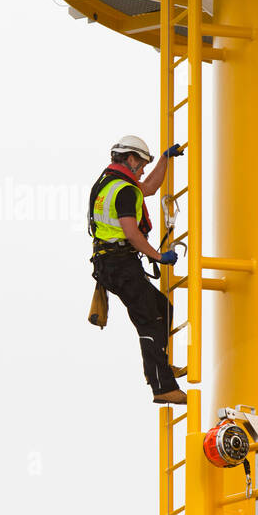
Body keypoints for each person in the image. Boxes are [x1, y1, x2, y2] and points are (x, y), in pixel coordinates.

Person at [89, 135, 187, 405]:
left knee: (162, 308)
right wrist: (158, 256)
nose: (143, 169)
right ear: (130, 159)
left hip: (111, 263)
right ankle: (162, 385)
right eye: (142, 163)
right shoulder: (124, 191)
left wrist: (165, 160)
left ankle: (159, 369)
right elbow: (132, 233)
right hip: (119, 264)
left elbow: (150, 188)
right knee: (150, 319)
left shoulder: (108, 183)